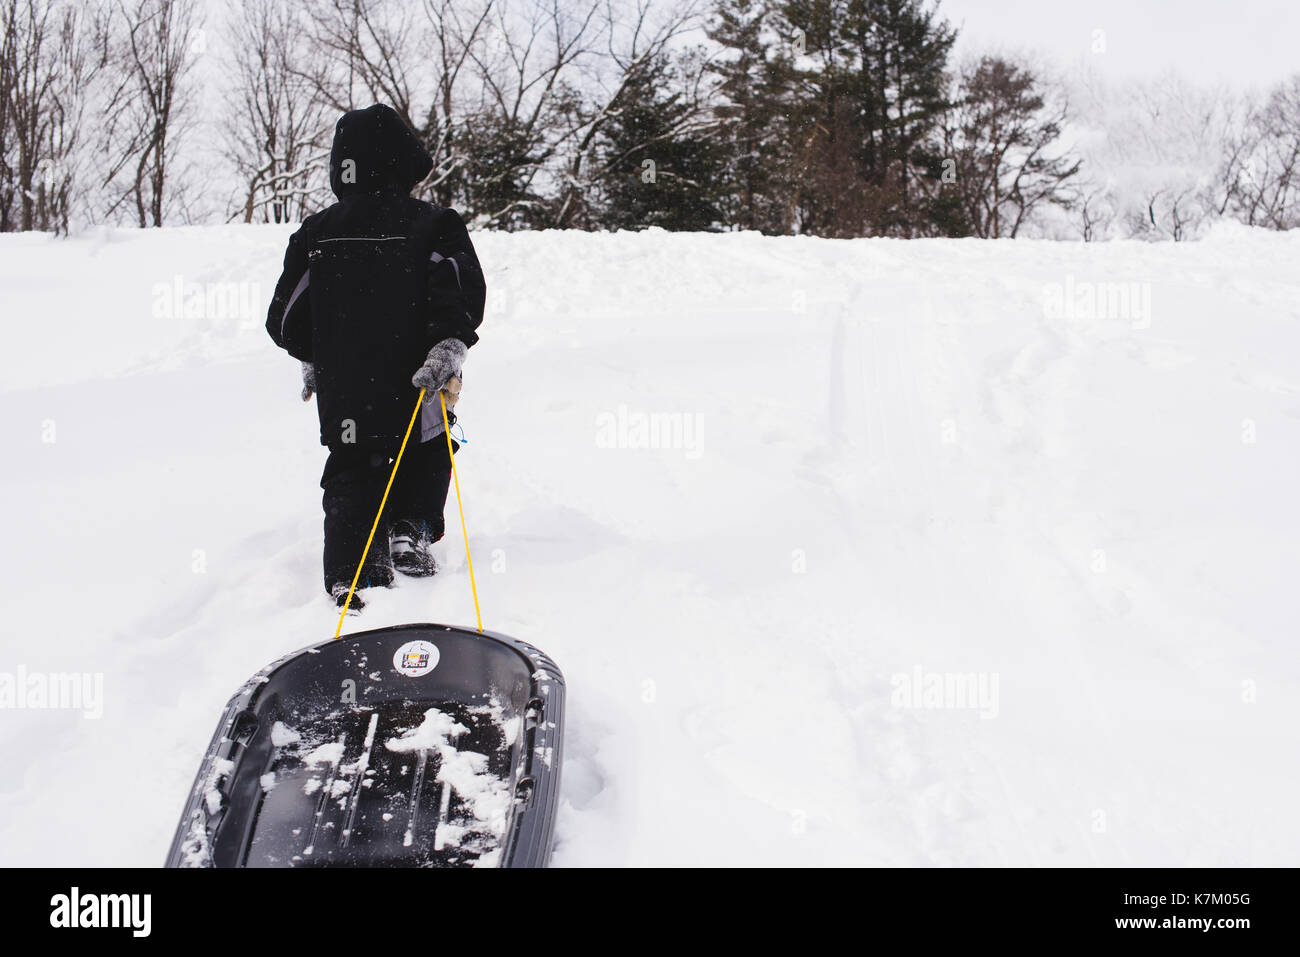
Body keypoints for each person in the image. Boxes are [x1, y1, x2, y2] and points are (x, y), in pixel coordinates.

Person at [265, 104, 486, 611]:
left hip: (347, 389)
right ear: (406, 162)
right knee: (427, 446)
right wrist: (448, 343)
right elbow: (459, 290)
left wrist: (315, 354)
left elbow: (286, 319)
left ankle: (352, 571)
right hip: (418, 376)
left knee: (351, 465)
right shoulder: (435, 224)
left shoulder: (316, 232)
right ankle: (410, 531)